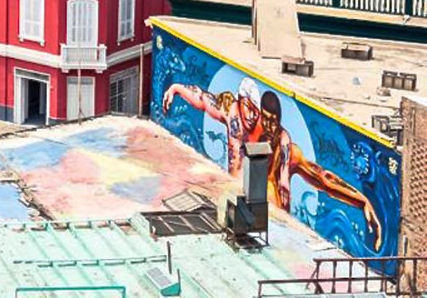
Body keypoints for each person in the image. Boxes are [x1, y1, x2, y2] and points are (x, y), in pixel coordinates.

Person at [257, 90, 383, 249]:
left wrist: (362, 201)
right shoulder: (254, 139)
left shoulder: (290, 153)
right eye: (265, 119)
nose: (268, 126)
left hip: (279, 231)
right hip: (258, 226)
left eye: (273, 121)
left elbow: (325, 180)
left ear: (280, 120)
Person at [163, 77, 264, 176]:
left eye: (256, 112)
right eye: (247, 107)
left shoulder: (263, 127)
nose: (251, 116)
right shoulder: (230, 109)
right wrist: (175, 88)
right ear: (239, 101)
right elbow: (203, 99)